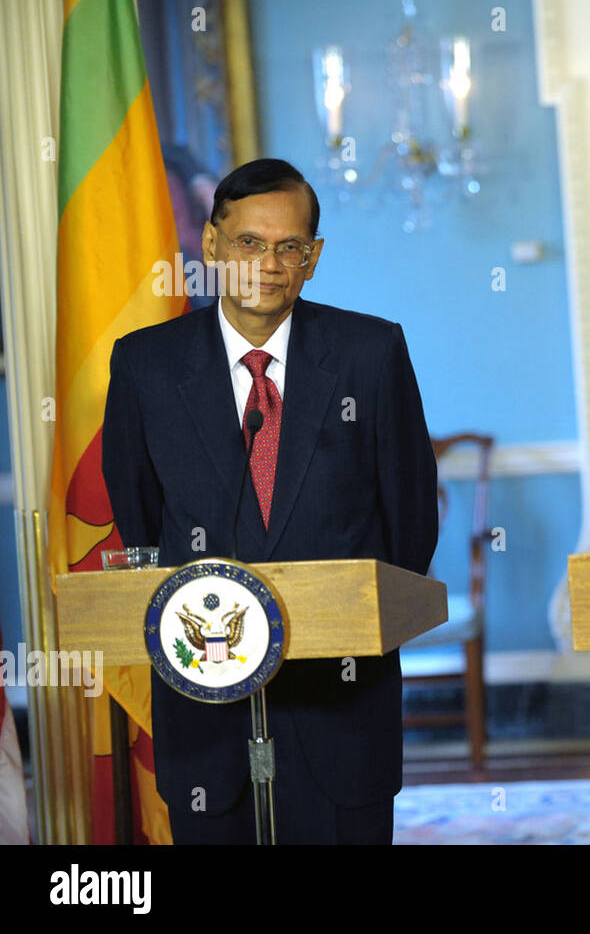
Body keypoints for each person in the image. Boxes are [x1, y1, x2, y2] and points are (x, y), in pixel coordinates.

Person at [103, 158, 438, 844]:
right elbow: (139, 522)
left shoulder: (370, 352)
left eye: (289, 246)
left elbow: (409, 524)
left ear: (312, 259)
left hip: (342, 705)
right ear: (213, 246)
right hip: (207, 708)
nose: (269, 262)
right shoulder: (146, 364)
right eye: (250, 243)